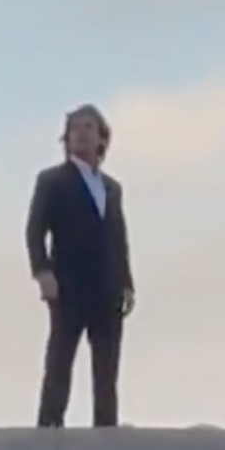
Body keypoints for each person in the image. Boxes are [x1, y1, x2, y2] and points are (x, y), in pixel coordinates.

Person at [25, 104, 135, 428]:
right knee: (60, 357)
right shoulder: (52, 180)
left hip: (107, 288)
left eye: (89, 127)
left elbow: (119, 236)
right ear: (67, 138)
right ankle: (49, 426)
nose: (82, 134)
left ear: (102, 139)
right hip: (68, 284)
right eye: (76, 128)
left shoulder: (112, 188)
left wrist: (127, 282)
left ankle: (106, 427)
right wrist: (42, 272)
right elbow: (35, 229)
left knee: (107, 366)